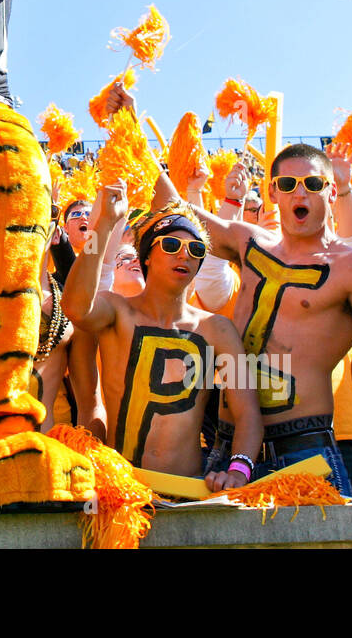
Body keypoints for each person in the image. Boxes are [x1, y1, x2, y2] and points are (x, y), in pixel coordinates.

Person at [137, 90, 352, 493]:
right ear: (272, 192)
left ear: (330, 189)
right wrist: (129, 125)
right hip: (226, 449)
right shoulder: (247, 242)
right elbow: (174, 210)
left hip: (303, 453)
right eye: (287, 184)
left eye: (312, 183)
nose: (299, 192)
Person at [63, 186, 263, 489]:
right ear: (147, 256)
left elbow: (247, 411)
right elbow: (75, 307)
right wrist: (103, 226)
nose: (184, 253)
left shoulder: (217, 329)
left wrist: (239, 469)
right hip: (122, 491)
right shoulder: (116, 311)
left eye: (196, 250)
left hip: (189, 488)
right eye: (171, 245)